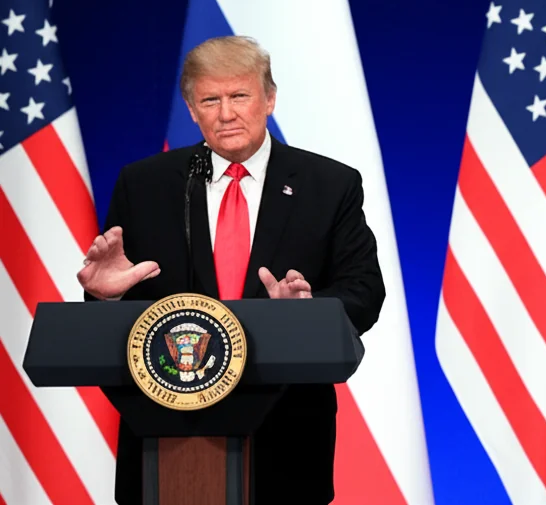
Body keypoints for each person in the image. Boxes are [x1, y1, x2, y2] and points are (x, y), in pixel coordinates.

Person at [77, 35, 386, 505]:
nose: (226, 113)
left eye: (239, 96)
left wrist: (308, 312)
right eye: (210, 99)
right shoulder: (145, 185)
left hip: (286, 436)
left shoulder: (331, 184)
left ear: (269, 98)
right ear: (191, 107)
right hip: (167, 436)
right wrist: (107, 296)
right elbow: (118, 312)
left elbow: (365, 292)